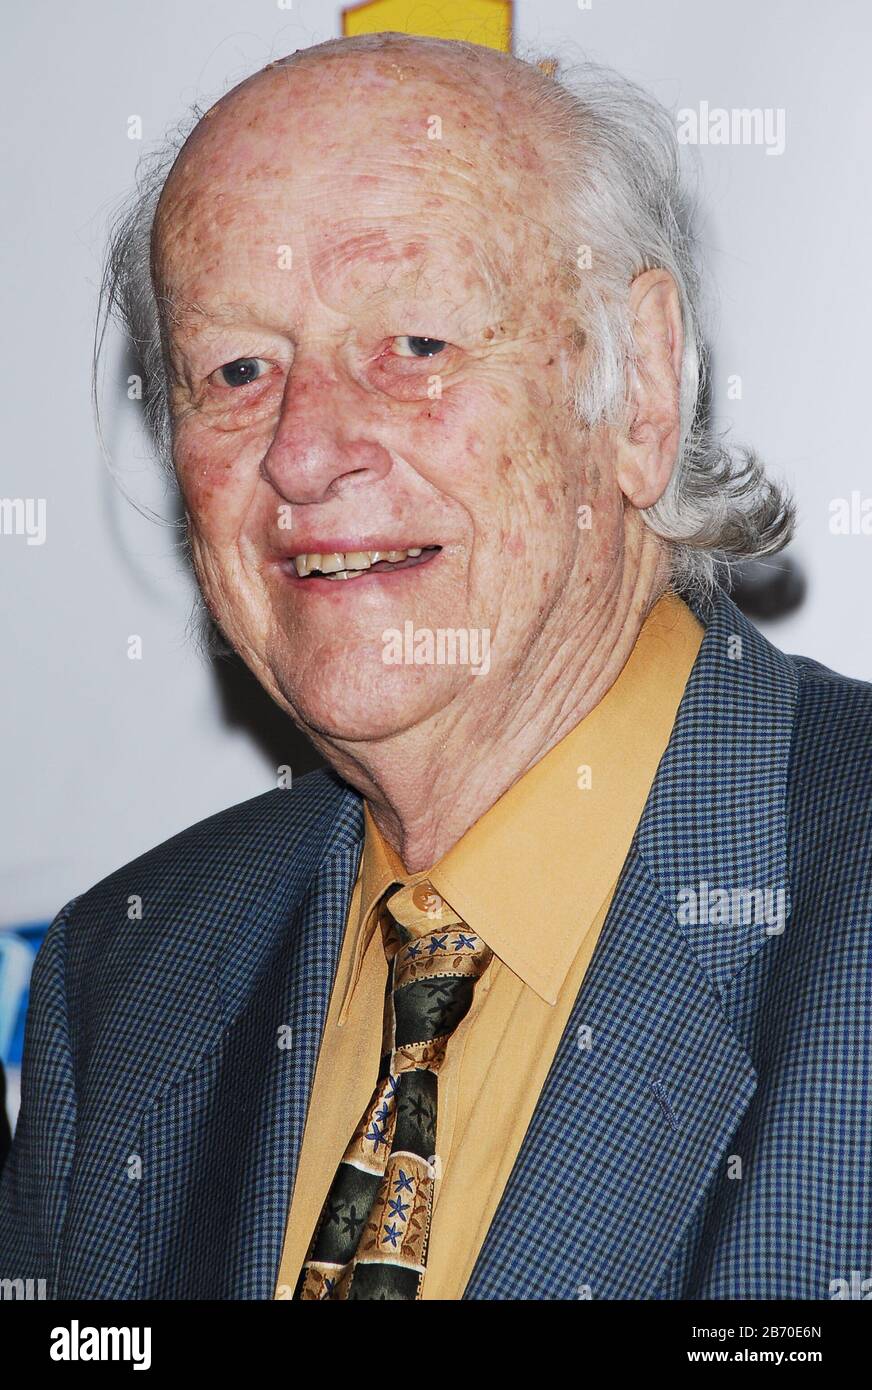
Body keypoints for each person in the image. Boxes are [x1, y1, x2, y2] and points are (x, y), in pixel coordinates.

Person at [1, 33, 869, 1300]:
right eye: (237, 370)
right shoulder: (126, 986)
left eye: (412, 344)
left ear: (639, 390)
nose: (303, 452)